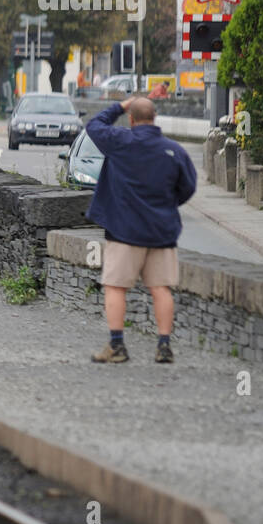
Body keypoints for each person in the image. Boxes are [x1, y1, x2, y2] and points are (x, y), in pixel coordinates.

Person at [84, 97, 197, 364]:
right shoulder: (174, 151)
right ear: (155, 117)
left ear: (131, 120)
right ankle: (164, 346)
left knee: (115, 287)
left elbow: (94, 124)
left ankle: (116, 346)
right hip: (161, 232)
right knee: (161, 288)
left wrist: (122, 105)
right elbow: (188, 187)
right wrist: (167, 205)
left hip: (124, 231)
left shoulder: (119, 142)